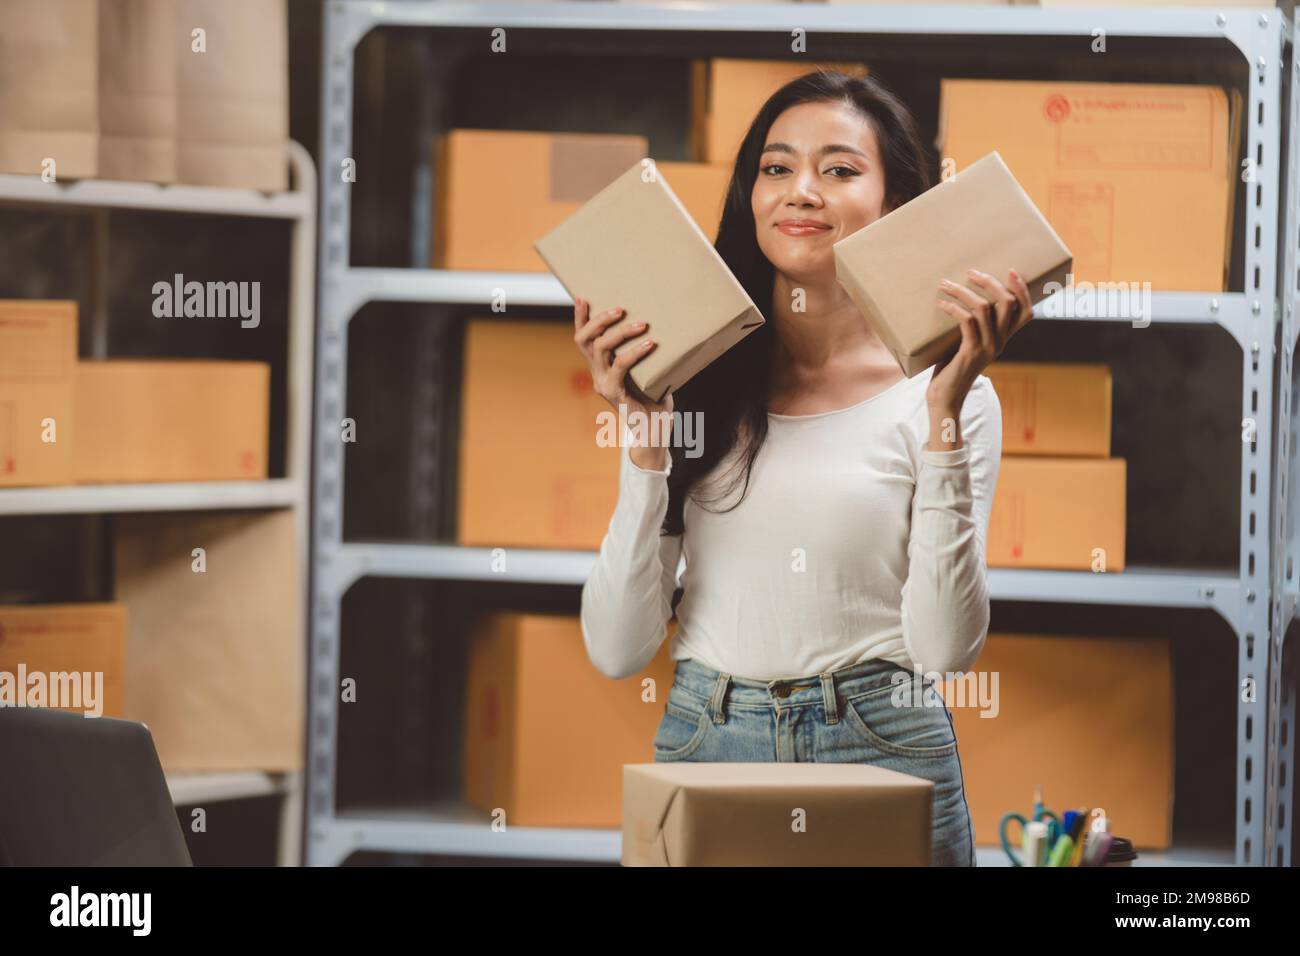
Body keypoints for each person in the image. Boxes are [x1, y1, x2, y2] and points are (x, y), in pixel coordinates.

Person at [574, 71, 1029, 866]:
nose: (802, 191)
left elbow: (947, 651)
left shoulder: (944, 396)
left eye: (841, 169)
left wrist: (947, 418)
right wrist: (645, 444)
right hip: (707, 738)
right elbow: (617, 650)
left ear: (896, 206)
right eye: (777, 168)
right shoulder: (695, 380)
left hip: (882, 740)